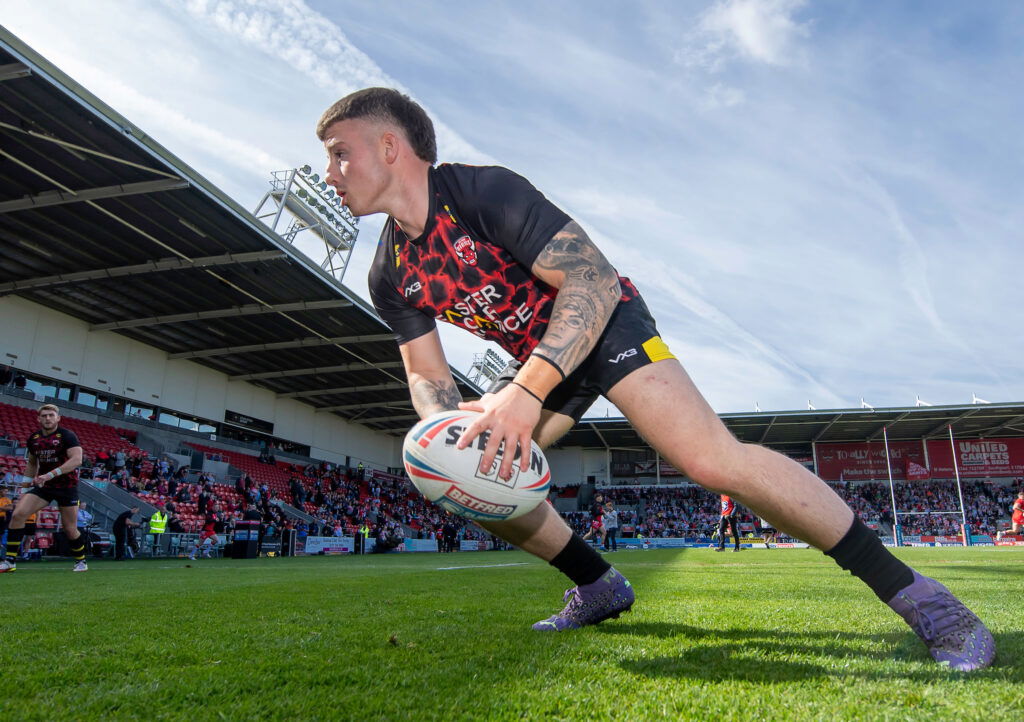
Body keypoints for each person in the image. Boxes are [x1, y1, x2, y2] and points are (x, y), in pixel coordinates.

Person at [313, 88, 994, 670]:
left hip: (602, 322)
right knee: (479, 475)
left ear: (391, 146)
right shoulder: (388, 272)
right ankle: (599, 586)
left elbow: (592, 279)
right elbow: (427, 377)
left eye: (341, 152)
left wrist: (523, 394)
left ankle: (924, 600)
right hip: (538, 361)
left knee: (710, 460)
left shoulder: (482, 191)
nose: (331, 172)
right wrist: (447, 434)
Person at [0, 404, 88, 573]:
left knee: (69, 528)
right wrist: (24, 489)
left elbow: (77, 460)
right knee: (18, 514)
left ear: (58, 418)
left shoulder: (67, 436)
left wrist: (49, 474)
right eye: (44, 416)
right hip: (44, 486)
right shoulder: (34, 438)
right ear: (38, 419)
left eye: (51, 415)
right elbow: (32, 464)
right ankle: (10, 561)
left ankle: (80, 560)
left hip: (66, 487)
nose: (48, 418)